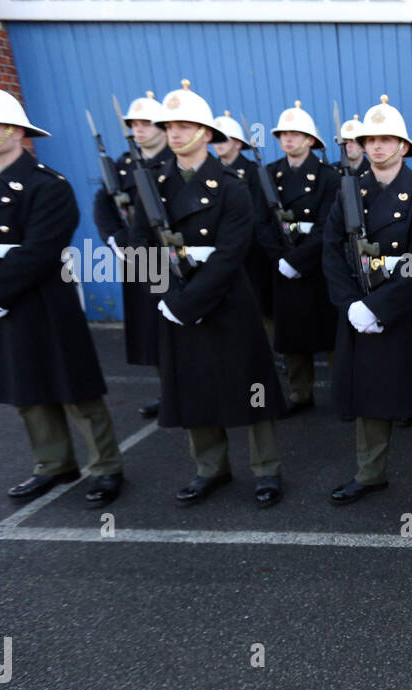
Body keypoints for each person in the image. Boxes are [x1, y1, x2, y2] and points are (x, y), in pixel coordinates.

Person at [0, 75, 124, 505]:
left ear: (17, 130)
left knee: (74, 388)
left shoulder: (48, 184)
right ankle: (53, 464)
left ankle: (106, 468)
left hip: (41, 298)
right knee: (25, 386)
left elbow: (42, 249)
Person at [128, 80, 286, 508]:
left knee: (251, 386)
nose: (175, 134)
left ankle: (265, 468)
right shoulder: (152, 184)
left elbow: (232, 252)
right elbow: (139, 244)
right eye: (170, 126)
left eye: (185, 126)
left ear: (205, 132)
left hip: (225, 301)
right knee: (192, 387)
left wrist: (187, 302)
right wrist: (165, 294)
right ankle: (209, 468)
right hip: (174, 298)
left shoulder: (232, 186)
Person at [321, 95, 412, 512]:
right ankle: (369, 474)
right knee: (370, 395)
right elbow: (332, 251)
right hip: (360, 308)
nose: (378, 147)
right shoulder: (349, 193)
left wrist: (379, 307)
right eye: (371, 140)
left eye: (387, 140)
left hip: (407, 311)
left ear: (404, 147)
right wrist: (350, 304)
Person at [256, 101, 341, 414]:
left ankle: (341, 394)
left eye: (296, 134)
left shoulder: (327, 177)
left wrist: (299, 259)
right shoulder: (269, 174)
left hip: (317, 266)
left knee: (330, 336)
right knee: (292, 336)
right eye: (284, 134)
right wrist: (281, 258)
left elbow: (329, 225)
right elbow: (261, 222)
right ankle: (299, 393)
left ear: (310, 140)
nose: (289, 140)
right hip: (283, 265)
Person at [91, 90, 171, 419]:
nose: (138, 130)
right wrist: (119, 243)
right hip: (136, 260)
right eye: (133, 124)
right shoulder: (123, 166)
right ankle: (168, 394)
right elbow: (104, 206)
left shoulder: (174, 161)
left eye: (146, 124)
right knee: (152, 330)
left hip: (169, 259)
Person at [211, 111, 276, 349]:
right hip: (218, 252)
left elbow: (259, 215)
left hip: (251, 253)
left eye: (224, 139)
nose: (218, 145)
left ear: (238, 143)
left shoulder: (253, 173)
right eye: (215, 139)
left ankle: (268, 350)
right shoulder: (208, 172)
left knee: (260, 305)